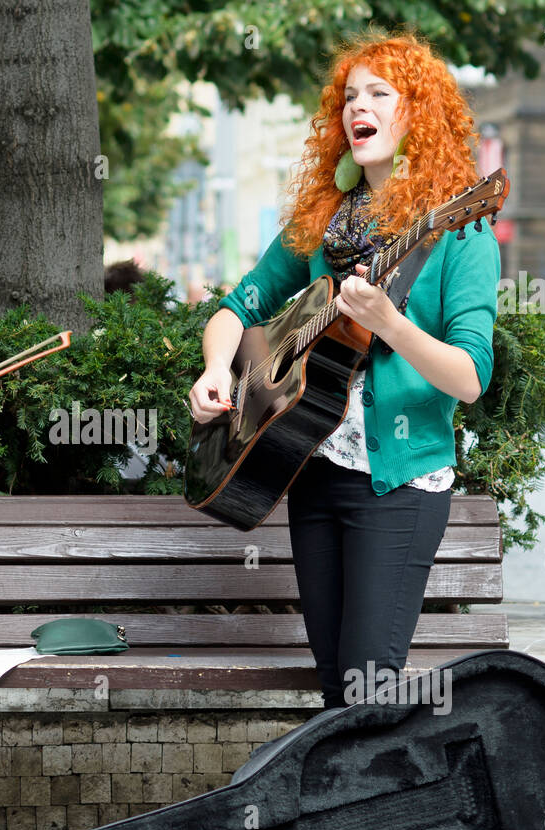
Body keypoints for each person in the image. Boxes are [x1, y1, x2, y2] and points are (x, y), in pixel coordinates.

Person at [187, 31, 499, 708]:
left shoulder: (459, 231)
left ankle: (395, 815)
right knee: (337, 688)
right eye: (350, 95)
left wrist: (390, 323)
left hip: (400, 486)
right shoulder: (322, 225)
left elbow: (471, 377)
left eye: (380, 93)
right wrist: (217, 368)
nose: (360, 105)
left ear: (418, 112)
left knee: (368, 685)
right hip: (314, 472)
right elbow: (236, 307)